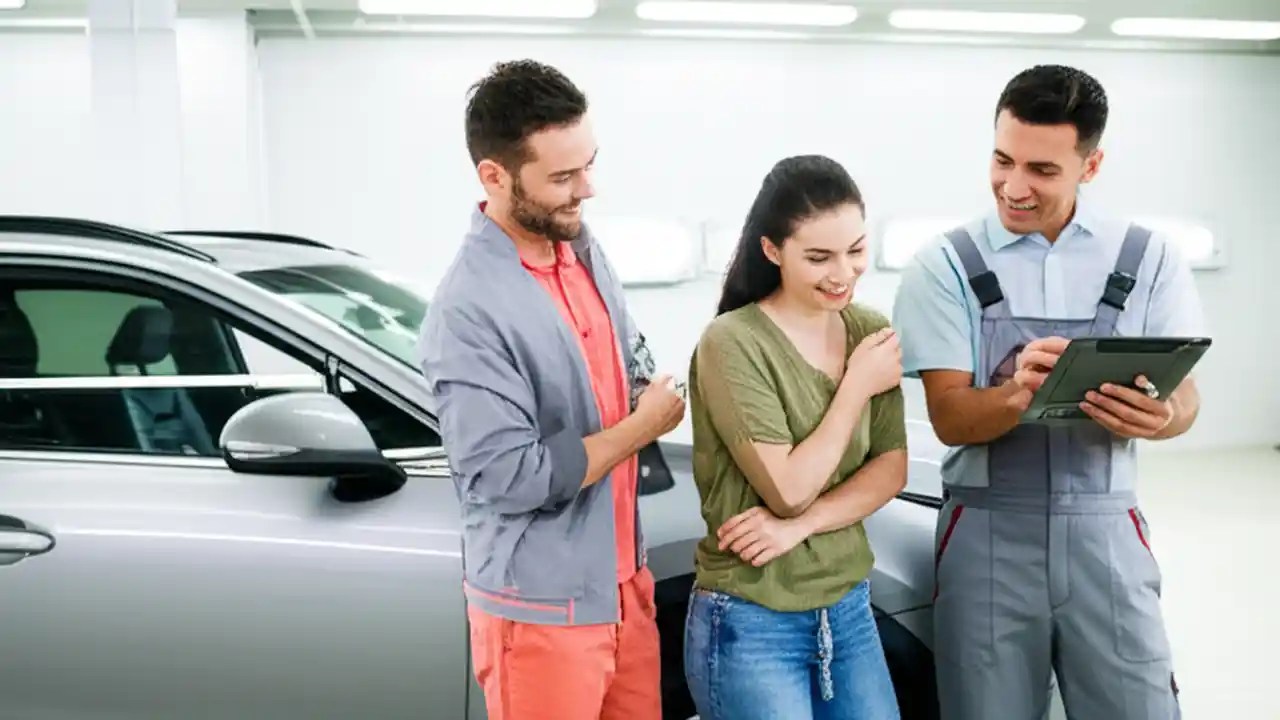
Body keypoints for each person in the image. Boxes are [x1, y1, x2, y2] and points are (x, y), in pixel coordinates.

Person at [892, 64, 1204, 720]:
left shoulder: (1150, 258)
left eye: (1042, 169)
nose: (1015, 186)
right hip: (987, 535)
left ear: (1090, 167)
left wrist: (1160, 416)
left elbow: (1188, 401)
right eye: (1002, 160)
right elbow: (950, 417)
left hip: (1107, 531)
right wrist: (1013, 394)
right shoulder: (943, 264)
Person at [417, 59, 685, 720]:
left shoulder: (583, 252)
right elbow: (512, 476)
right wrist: (642, 426)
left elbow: (632, 363)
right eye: (563, 177)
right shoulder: (467, 310)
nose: (586, 189)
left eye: (589, 164)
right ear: (495, 176)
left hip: (624, 590)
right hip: (541, 614)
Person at [682, 154, 908, 720]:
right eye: (819, 257)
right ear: (772, 250)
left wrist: (803, 527)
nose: (844, 273)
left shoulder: (869, 330)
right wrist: (856, 386)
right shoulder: (731, 343)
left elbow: (890, 469)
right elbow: (787, 490)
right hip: (752, 619)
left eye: (855, 250)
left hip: (848, 609)